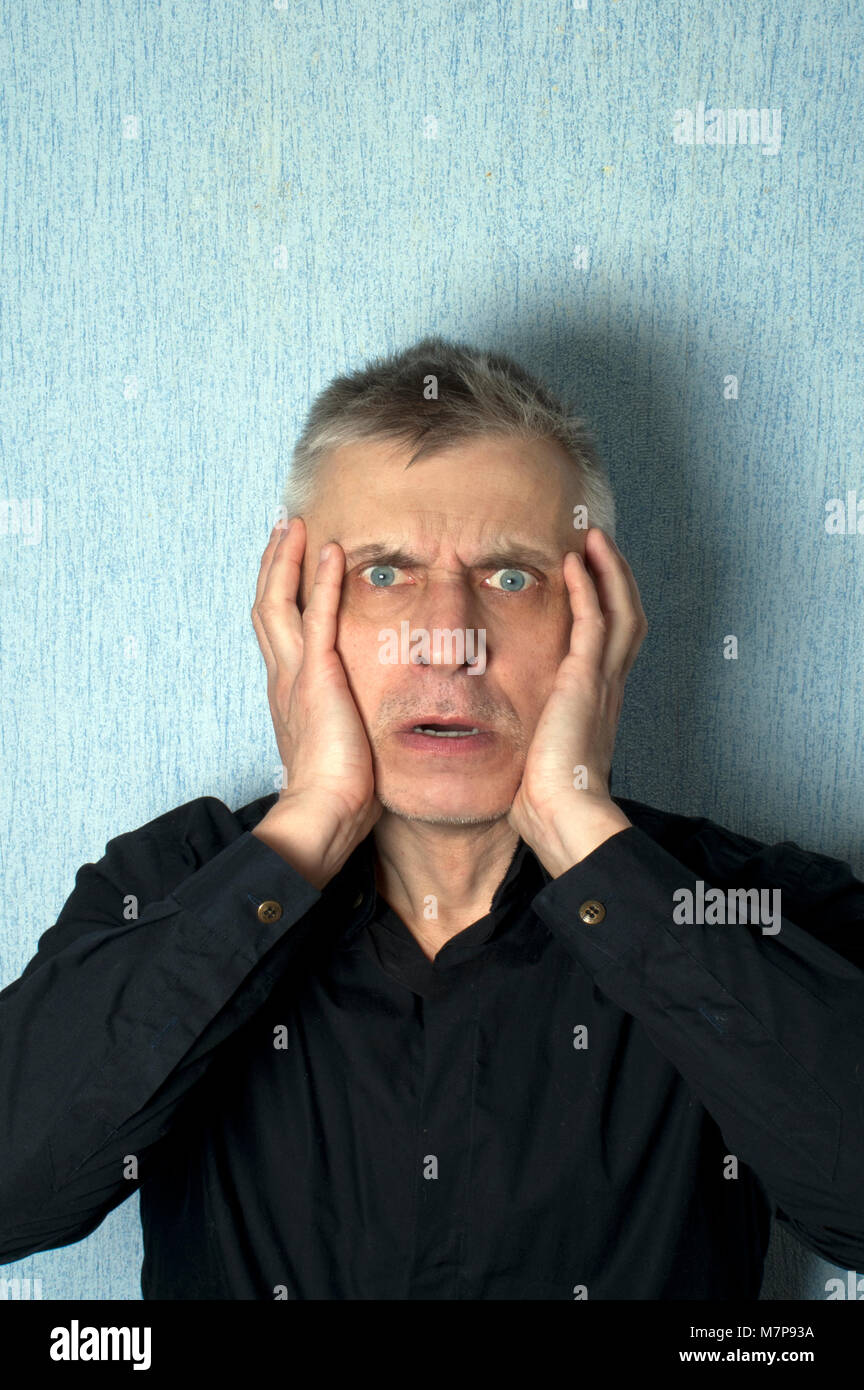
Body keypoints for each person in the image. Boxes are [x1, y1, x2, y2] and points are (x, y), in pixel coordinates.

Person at [1, 337, 863, 1300]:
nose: (447, 639)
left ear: (598, 623)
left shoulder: (750, 910)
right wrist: (311, 824)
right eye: (382, 574)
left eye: (508, 577)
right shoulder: (167, 889)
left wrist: (582, 827)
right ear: (291, 615)